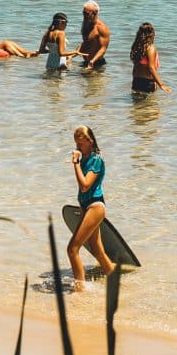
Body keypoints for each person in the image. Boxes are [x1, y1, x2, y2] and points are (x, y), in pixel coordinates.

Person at [67, 124, 116, 292]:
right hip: (87, 207)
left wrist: (75, 163)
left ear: (90, 141)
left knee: (72, 249)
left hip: (95, 206)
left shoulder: (95, 159)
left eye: (80, 144)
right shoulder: (86, 159)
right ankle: (115, 281)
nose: (77, 147)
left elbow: (85, 186)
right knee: (98, 251)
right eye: (76, 143)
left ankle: (79, 291)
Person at [130, 22, 170, 95]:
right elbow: (151, 67)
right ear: (152, 34)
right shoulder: (150, 48)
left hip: (136, 81)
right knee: (150, 105)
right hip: (147, 83)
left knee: (136, 105)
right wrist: (161, 84)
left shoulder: (136, 47)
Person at [77, 1, 110, 72]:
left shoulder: (102, 28)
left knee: (95, 83)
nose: (84, 15)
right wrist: (73, 54)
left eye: (87, 13)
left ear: (95, 13)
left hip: (97, 64)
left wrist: (92, 61)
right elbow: (85, 42)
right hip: (86, 63)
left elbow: (103, 48)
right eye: (83, 13)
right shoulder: (86, 25)